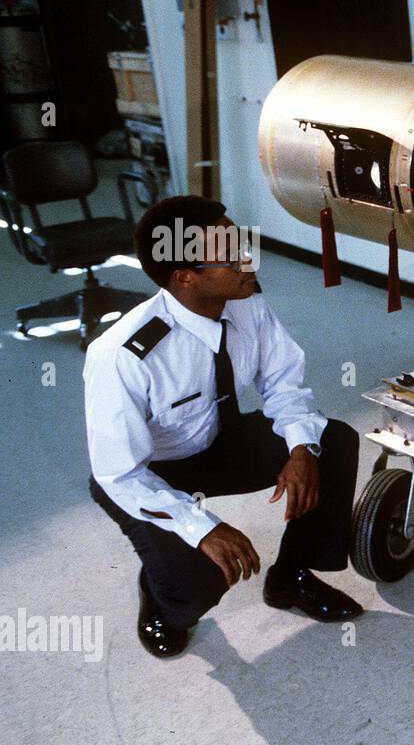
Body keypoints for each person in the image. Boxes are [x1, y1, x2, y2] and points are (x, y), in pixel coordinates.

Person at [83, 195, 363, 658]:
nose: (247, 258)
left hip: (217, 437)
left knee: (331, 441)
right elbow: (121, 473)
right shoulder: (122, 355)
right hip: (148, 471)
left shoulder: (246, 302)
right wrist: (201, 527)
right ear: (184, 277)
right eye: (230, 253)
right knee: (201, 577)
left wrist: (300, 452)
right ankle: (162, 596)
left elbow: (284, 385)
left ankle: (291, 577)